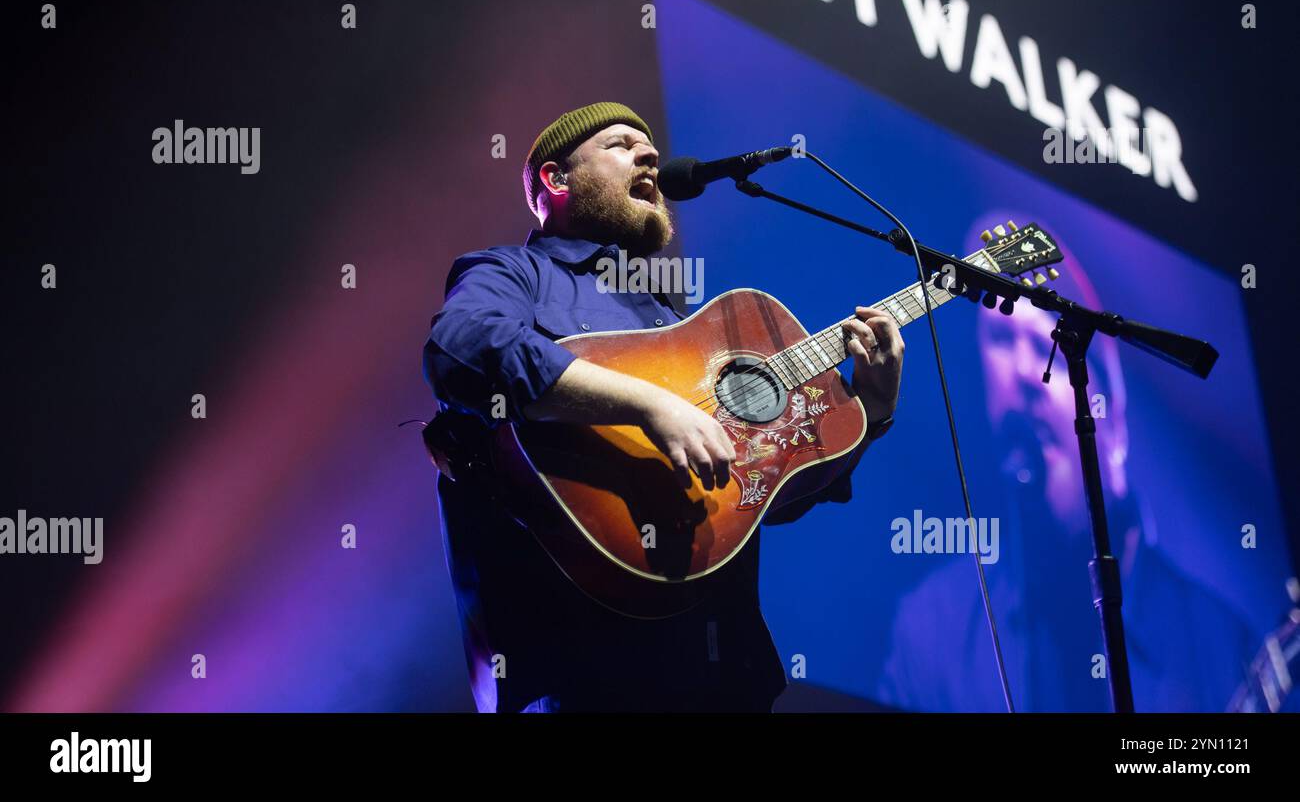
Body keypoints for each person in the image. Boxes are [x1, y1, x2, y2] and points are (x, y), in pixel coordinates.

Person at [423, 102, 903, 712]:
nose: (649, 154)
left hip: (724, 680)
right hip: (580, 677)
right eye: (621, 144)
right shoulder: (513, 273)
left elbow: (769, 494)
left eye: (648, 145)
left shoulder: (674, 323)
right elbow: (461, 348)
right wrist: (648, 405)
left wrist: (873, 404)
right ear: (555, 179)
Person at [878, 224, 1256, 711]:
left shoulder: (1223, 643)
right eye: (998, 338)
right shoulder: (932, 628)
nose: (1021, 373)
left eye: (1043, 348)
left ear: (1114, 415)